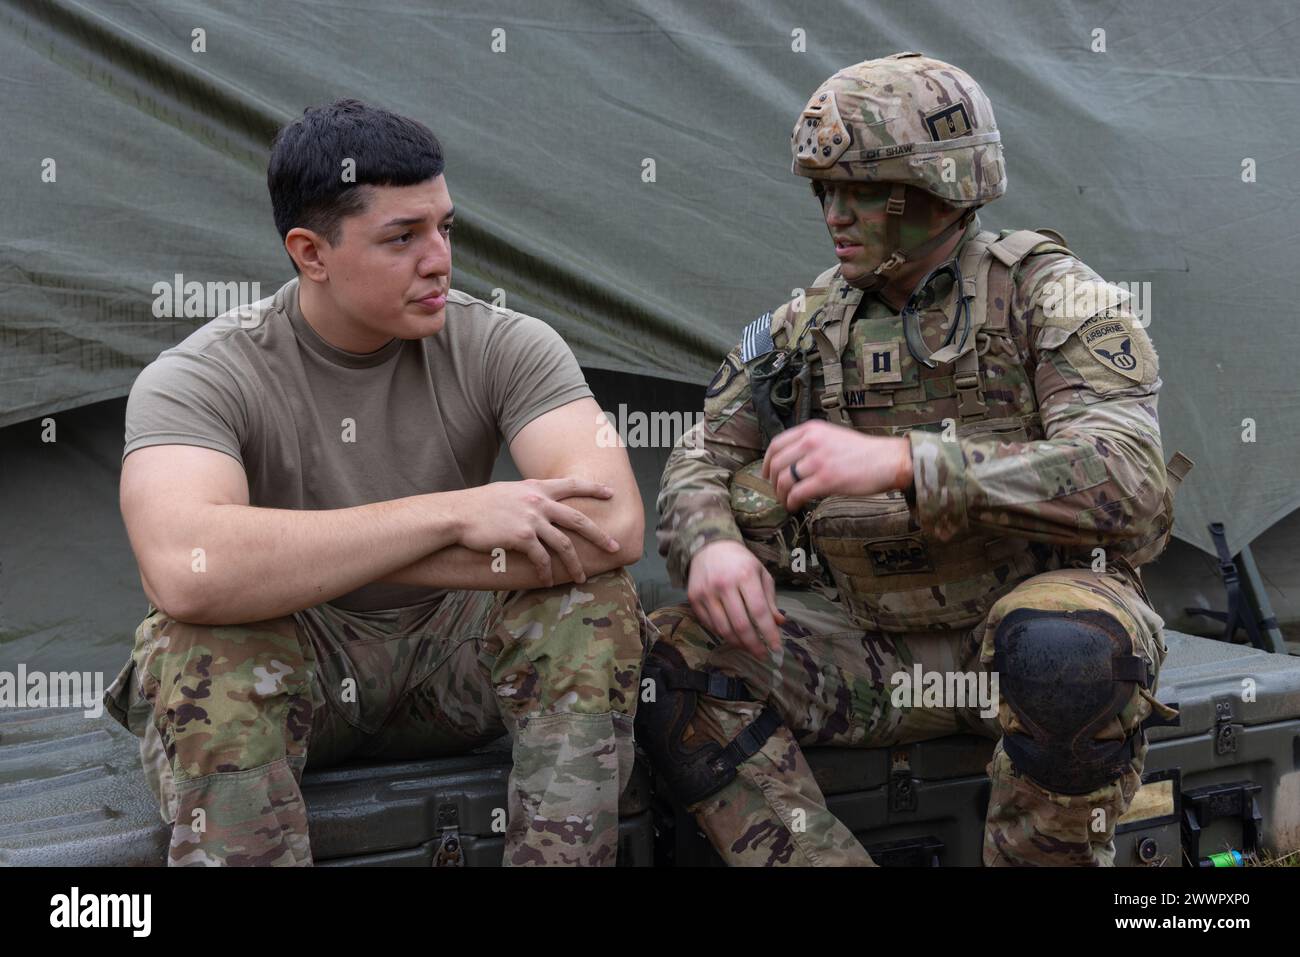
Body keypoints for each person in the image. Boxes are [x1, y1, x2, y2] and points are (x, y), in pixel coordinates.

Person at [641, 52, 1185, 866]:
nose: (834, 214)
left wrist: (907, 464)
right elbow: (696, 458)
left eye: (861, 189)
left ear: (940, 189)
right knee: (671, 659)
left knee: (1069, 654)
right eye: (824, 190)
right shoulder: (806, 326)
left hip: (1018, 638)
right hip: (872, 649)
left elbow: (1131, 480)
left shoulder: (1052, 297)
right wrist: (711, 541)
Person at [104, 99, 649, 867]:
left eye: (445, 228)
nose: (439, 260)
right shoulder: (200, 375)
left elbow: (613, 524)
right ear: (310, 252)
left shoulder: (507, 343)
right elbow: (186, 570)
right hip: (295, 664)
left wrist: (342, 552)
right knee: (201, 643)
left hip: (450, 660)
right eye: (402, 237)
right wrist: (454, 517)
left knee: (592, 602)